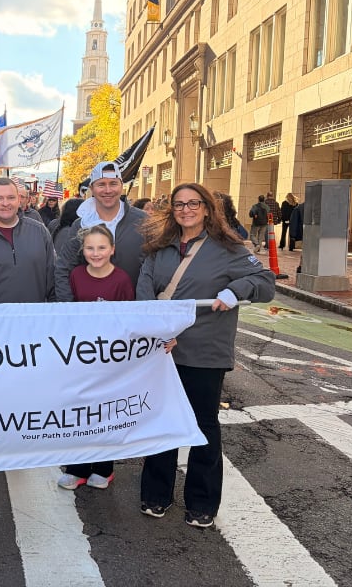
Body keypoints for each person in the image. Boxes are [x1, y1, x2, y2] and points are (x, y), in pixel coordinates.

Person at [136, 183, 275, 527]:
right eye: (179, 204)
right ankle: (156, 493)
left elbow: (264, 281)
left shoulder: (228, 248)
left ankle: (202, 502)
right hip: (162, 351)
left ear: (207, 208)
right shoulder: (160, 248)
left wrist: (236, 289)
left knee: (203, 426)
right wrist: (157, 329)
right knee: (161, 421)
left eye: (193, 203)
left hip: (205, 351)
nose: (186, 210)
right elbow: (144, 290)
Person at [57, 224, 134, 490]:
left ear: (112, 249)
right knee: (80, 411)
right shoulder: (76, 275)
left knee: (106, 413)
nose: (96, 253)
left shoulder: (122, 280)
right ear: (83, 250)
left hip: (110, 358)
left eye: (101, 247)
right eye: (90, 248)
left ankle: (104, 467)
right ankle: (77, 468)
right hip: (82, 355)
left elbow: (128, 319)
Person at [53, 162, 147, 303]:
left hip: (132, 308)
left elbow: (153, 268)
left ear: (121, 186)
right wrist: (69, 307)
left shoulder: (143, 221)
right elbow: (64, 268)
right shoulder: (80, 225)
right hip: (89, 309)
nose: (108, 190)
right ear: (92, 188)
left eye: (113, 183)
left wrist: (144, 305)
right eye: (101, 184)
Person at [0, 177, 56, 304]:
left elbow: (52, 277)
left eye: (11, 197)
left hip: (34, 313)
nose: (5, 203)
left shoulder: (40, 232)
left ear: (19, 200)